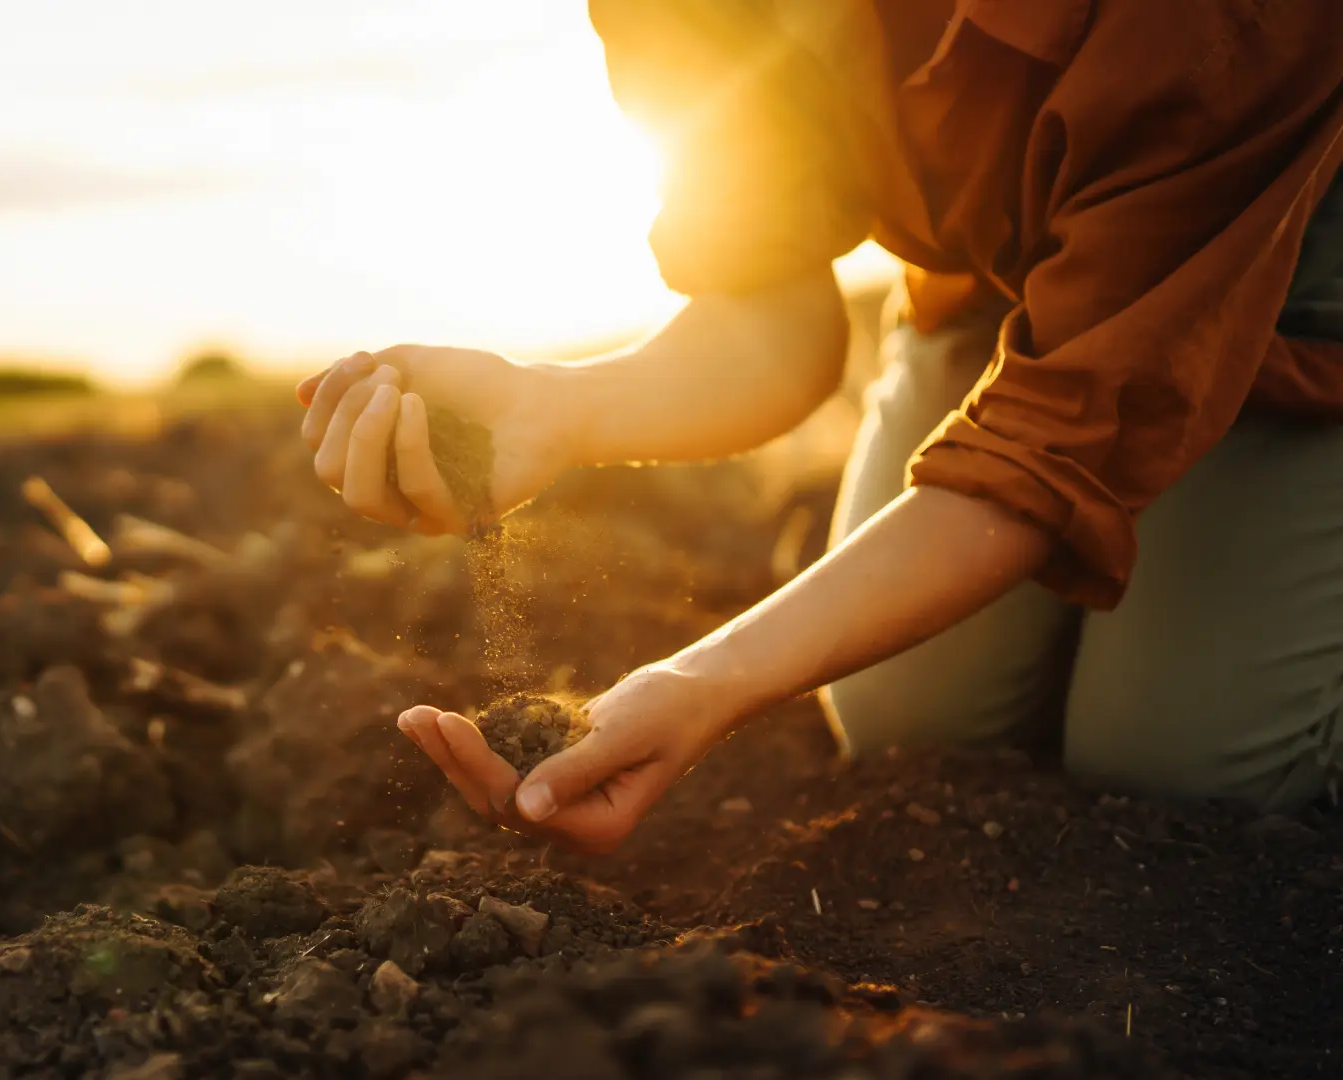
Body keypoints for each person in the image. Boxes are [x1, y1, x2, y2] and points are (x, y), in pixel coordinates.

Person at [297, 0, 1343, 855]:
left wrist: (704, 682)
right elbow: (769, 318)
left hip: (1294, 266)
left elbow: (1042, 454)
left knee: (1188, 764)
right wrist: (562, 407)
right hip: (1013, 279)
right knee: (910, 717)